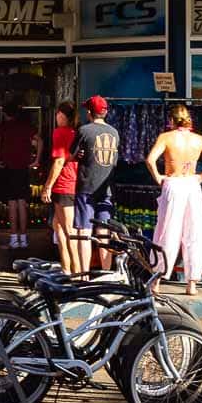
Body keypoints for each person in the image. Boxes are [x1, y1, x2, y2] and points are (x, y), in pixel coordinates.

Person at [146, 103, 202, 296]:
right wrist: (201, 177)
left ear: (172, 120)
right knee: (195, 234)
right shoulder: (198, 140)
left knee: (166, 232)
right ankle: (192, 284)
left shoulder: (166, 137)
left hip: (174, 183)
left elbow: (150, 160)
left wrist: (158, 177)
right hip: (192, 184)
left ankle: (156, 281)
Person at [72, 95, 120, 274]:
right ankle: (106, 273)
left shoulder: (84, 131)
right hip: (106, 189)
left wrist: (79, 156)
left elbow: (71, 155)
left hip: (86, 187)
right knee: (104, 232)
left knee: (84, 232)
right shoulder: (114, 132)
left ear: (90, 112)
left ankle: (84, 274)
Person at [0, 102, 40, 250]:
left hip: (8, 167)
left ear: (5, 113)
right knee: (22, 203)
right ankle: (24, 238)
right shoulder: (26, 126)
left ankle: (14, 238)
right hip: (23, 168)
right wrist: (36, 160)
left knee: (12, 204)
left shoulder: (3, 127)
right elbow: (39, 140)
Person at [41, 102, 80, 274]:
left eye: (58, 114)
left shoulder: (61, 132)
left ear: (62, 115)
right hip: (72, 183)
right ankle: (66, 268)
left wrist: (47, 186)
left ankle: (77, 272)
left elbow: (58, 161)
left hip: (64, 184)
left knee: (68, 231)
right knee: (59, 227)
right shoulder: (76, 132)